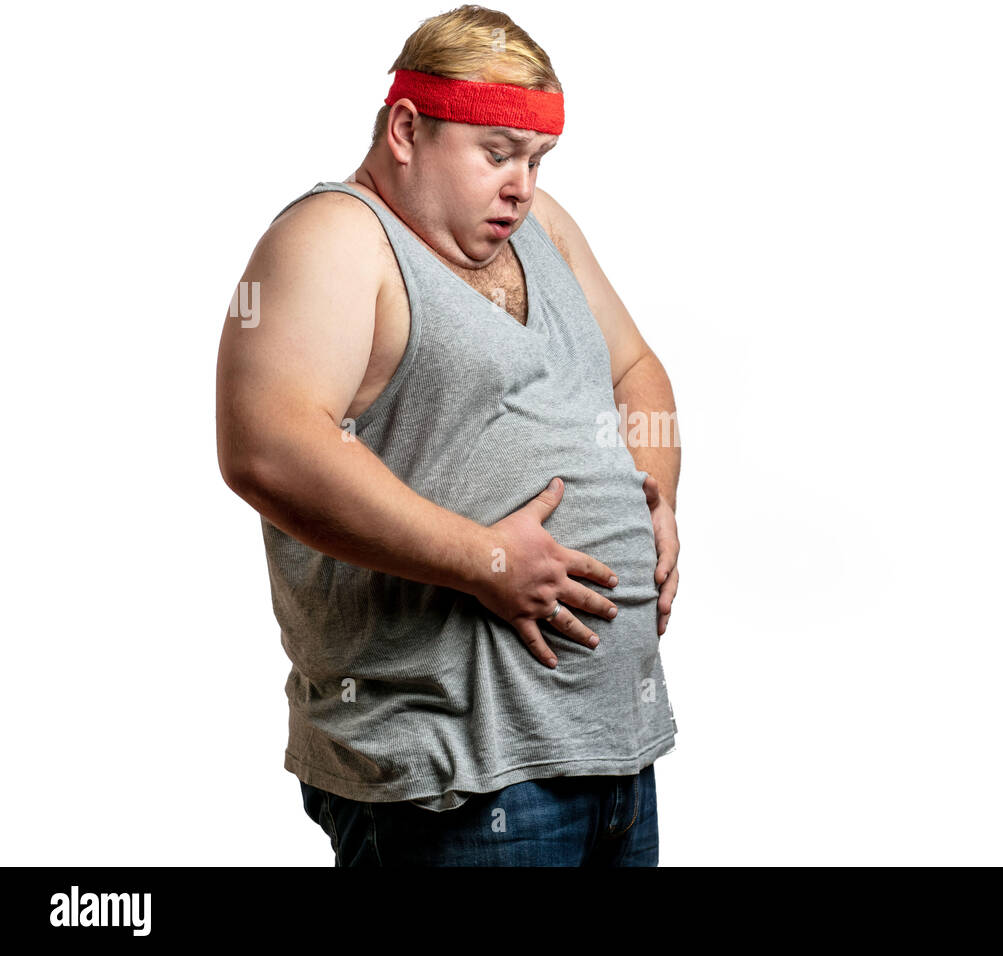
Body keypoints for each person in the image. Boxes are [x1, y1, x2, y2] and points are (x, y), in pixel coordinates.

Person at [215, 5, 682, 867]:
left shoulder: (546, 229)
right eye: (496, 154)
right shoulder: (333, 238)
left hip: (613, 751)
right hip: (455, 780)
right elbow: (265, 449)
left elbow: (636, 370)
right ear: (406, 129)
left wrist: (657, 498)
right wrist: (486, 560)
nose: (522, 186)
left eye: (536, 160)